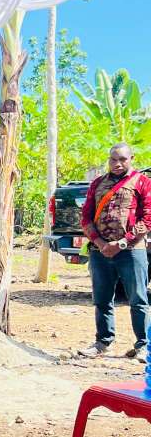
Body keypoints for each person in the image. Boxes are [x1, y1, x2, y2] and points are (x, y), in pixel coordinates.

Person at [78, 142, 151, 360]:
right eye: (113, 159)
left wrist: (120, 243)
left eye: (122, 159)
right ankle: (102, 342)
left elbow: (148, 217)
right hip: (100, 252)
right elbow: (86, 217)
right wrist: (100, 243)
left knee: (138, 299)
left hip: (131, 251)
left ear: (131, 158)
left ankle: (143, 345)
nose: (117, 164)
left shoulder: (143, 182)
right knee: (102, 299)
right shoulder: (98, 183)